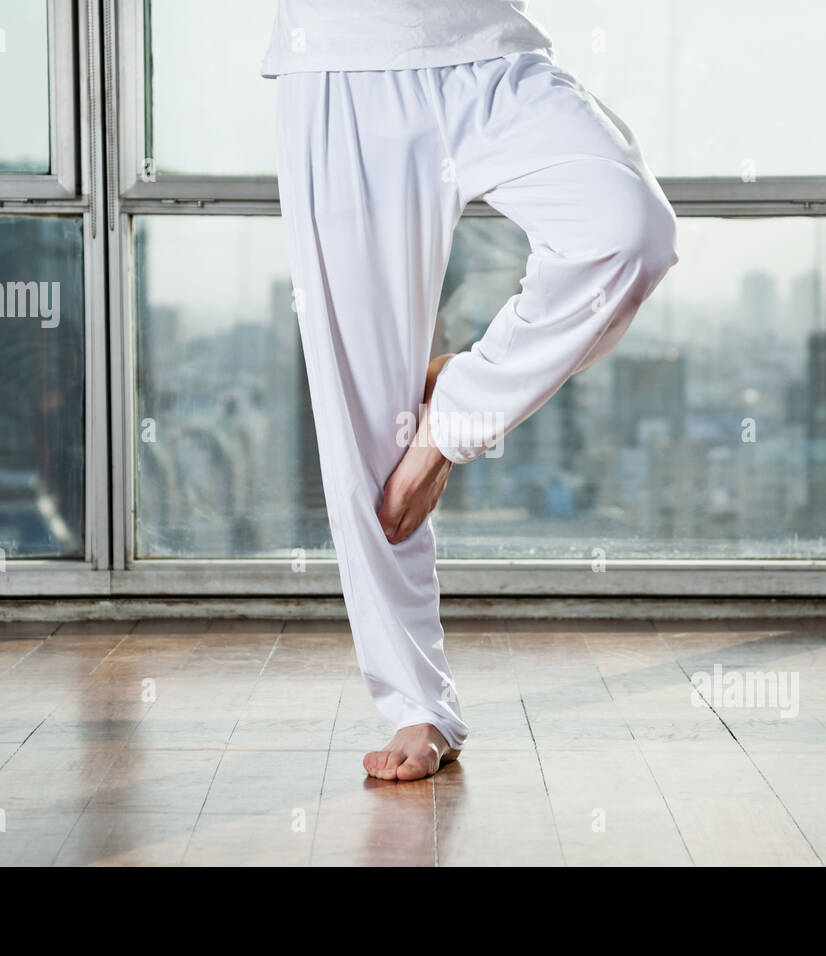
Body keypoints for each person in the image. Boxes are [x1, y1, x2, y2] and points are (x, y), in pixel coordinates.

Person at [262, 0, 679, 780]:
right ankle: (418, 703)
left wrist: (458, 421)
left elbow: (630, 242)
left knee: (629, 230)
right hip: (341, 64)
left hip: (490, 49)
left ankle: (457, 410)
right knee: (364, 427)